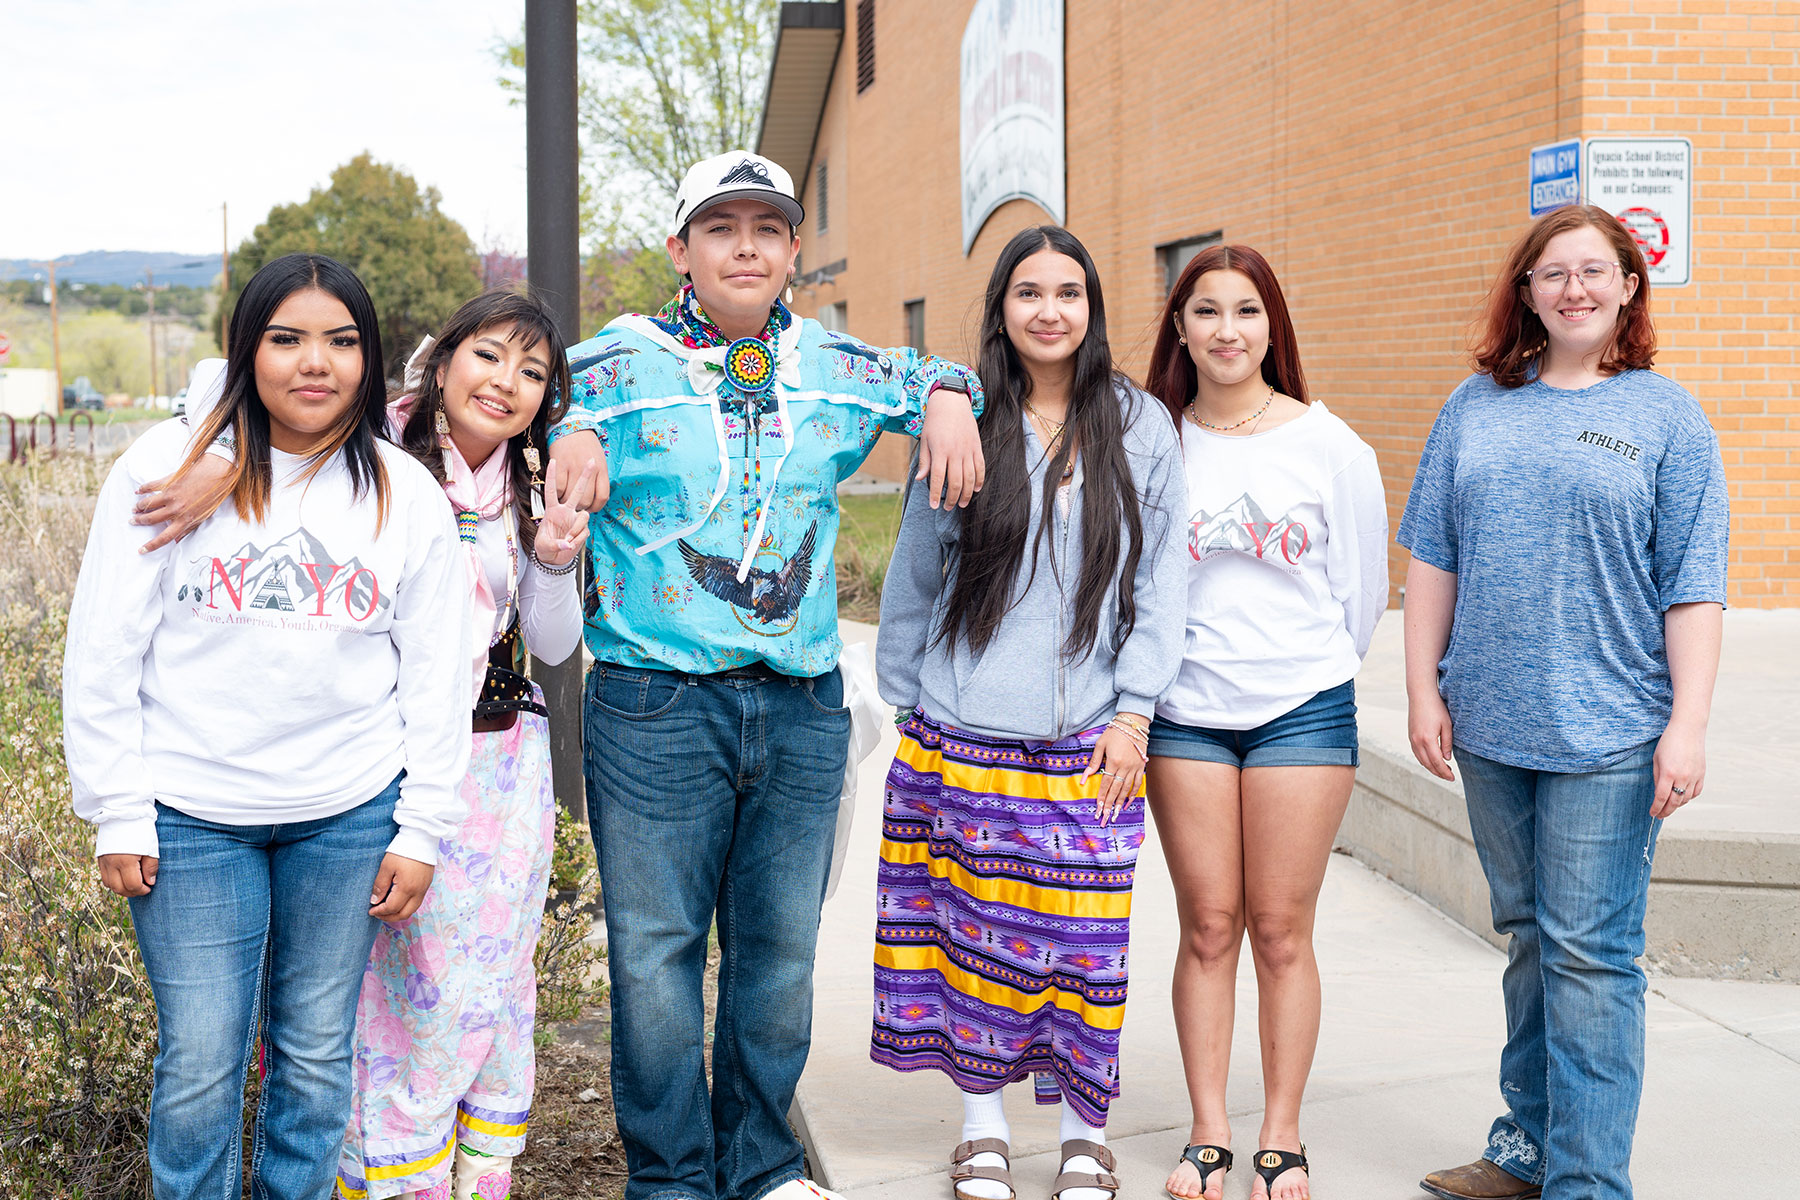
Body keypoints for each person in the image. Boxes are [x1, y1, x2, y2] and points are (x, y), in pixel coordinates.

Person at [543, 150, 985, 1200]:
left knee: (778, 958)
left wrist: (952, 399)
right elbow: (497, 394)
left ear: (794, 251)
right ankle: (670, 1178)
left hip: (797, 707)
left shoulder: (832, 366)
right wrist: (565, 426)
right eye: (720, 226)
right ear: (681, 249)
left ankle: (763, 1167)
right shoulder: (607, 366)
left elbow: (931, 374)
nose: (746, 245)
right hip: (655, 705)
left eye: (767, 227)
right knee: (654, 961)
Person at [63, 253, 472, 1200]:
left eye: (342, 340)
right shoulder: (162, 473)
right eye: (286, 339)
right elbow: (104, 651)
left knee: (318, 1052)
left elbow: (437, 676)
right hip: (189, 815)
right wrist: (117, 809)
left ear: (370, 359)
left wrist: (422, 828)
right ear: (246, 351)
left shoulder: (405, 495)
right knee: (203, 1059)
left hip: (348, 812)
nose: (313, 362)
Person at [1401, 205, 1727, 1200]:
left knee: (1591, 960)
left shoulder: (1665, 416)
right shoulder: (1474, 407)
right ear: (1527, 292)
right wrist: (1422, 687)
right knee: (1534, 943)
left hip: (1613, 733)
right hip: (1494, 728)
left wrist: (1688, 725)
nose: (1573, 288)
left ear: (1630, 285)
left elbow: (1693, 582)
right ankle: (1528, 1149)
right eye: (1553, 273)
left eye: (1595, 271)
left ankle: (1588, 1182)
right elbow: (1432, 556)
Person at [872, 225, 1187, 1200]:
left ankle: (1088, 1134)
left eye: (1068, 292)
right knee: (971, 942)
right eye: (1028, 292)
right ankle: (983, 1131)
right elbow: (918, 569)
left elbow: (1160, 582)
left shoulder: (1139, 425)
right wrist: (904, 703)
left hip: (1093, 742)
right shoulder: (964, 418)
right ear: (1002, 307)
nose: (1049, 310)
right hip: (963, 735)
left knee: (1089, 950)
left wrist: (1135, 713)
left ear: (1092, 308)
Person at [1140, 245, 1388, 1200]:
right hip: (1185, 714)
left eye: (1247, 311)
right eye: (1207, 311)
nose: (1228, 330)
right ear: (1182, 328)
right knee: (1208, 925)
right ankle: (1210, 1130)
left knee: (1281, 929)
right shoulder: (1155, 439)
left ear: (1272, 326)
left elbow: (1361, 596)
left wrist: (1304, 669)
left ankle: (1280, 1131)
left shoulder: (1330, 445)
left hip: (1302, 712)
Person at [334, 289, 590, 1200]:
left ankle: (479, 1173)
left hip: (505, 761)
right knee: (408, 978)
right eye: (489, 355)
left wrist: (555, 556)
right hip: (397, 758)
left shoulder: (529, 482)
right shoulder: (370, 462)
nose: (506, 382)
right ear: (442, 362)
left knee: (490, 973)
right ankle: (398, 1174)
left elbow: (553, 646)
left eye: (531, 372)